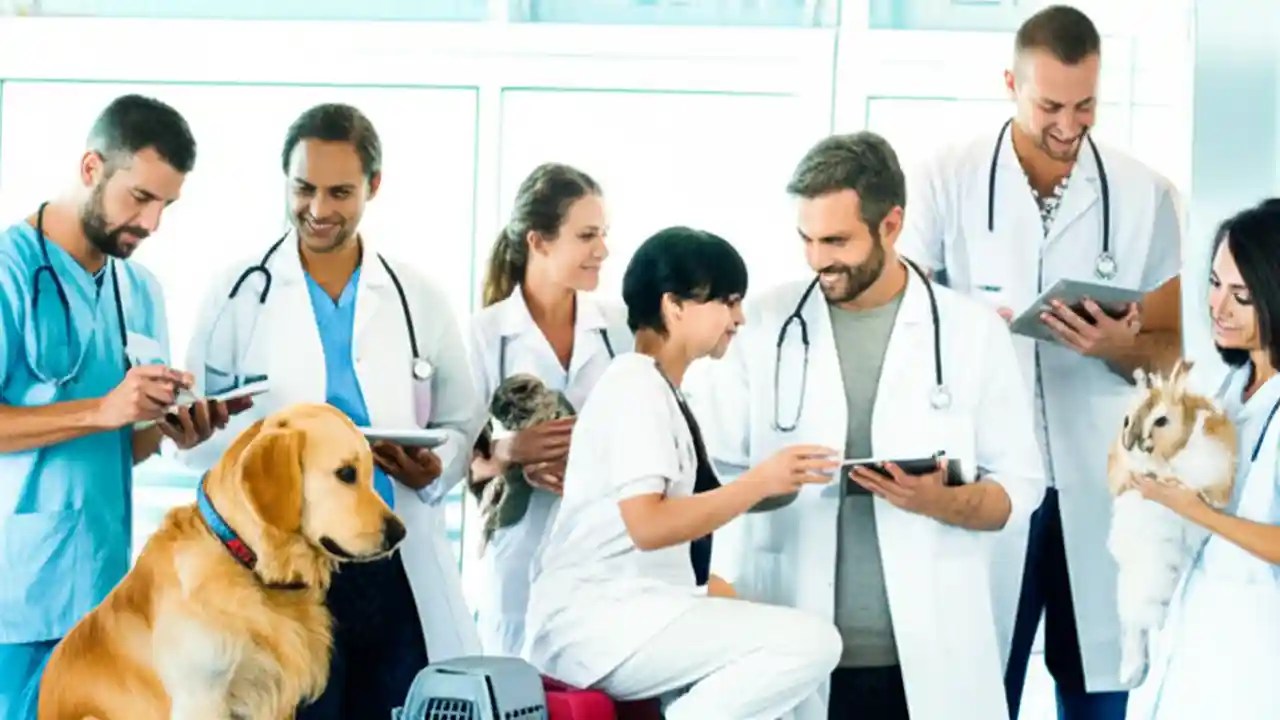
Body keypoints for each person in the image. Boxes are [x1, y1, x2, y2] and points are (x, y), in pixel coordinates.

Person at [686, 130, 1046, 720]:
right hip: (788, 644)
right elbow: (705, 479)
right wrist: (763, 484)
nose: (817, 258)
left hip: (925, 657)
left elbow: (1021, 490)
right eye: (805, 238)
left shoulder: (972, 333)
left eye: (836, 240)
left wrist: (944, 502)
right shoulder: (759, 325)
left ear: (892, 224)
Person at [894, 6, 1184, 718]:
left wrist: (1118, 346)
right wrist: (971, 334)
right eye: (1049, 104)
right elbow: (901, 326)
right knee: (975, 686)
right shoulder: (942, 179)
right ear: (1010, 84)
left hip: (1103, 476)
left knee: (1098, 688)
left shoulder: (1148, 195)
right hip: (982, 472)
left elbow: (1185, 355)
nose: (1068, 124)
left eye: (1086, 105)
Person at [174, 103, 486, 719]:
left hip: (389, 563)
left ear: (374, 186)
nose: (318, 210)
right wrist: (195, 434)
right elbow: (200, 434)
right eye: (303, 189)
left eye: (340, 192)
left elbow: (461, 421)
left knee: (396, 707)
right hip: (280, 569)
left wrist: (436, 467)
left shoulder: (416, 296)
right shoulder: (238, 294)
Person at [523, 226, 843, 720]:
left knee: (802, 693)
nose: (738, 318)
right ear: (674, 305)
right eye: (727, 301)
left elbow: (680, 518)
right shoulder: (634, 385)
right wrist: (756, 483)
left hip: (637, 611)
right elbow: (649, 526)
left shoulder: (665, 392)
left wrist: (775, 483)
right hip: (598, 624)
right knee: (813, 643)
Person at [0, 94, 230, 719]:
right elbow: (101, 415)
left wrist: (168, 427)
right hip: (17, 598)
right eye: (140, 198)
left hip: (106, 593)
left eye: (166, 206)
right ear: (90, 168)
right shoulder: (10, 272)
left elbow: (122, 444)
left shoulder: (140, 290)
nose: (152, 223)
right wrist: (101, 409)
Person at [467, 162, 634, 658]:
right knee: (518, 694)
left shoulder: (619, 329)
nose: (602, 250)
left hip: (603, 553)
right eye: (586, 236)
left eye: (603, 234)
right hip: (518, 557)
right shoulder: (485, 334)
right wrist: (510, 452)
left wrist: (587, 457)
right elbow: (458, 460)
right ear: (538, 241)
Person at [1125, 200, 1280, 719]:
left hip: (1258, 659)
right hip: (1200, 641)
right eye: (1215, 283)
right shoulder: (1228, 389)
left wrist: (1196, 510)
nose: (1218, 306)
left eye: (1241, 296)